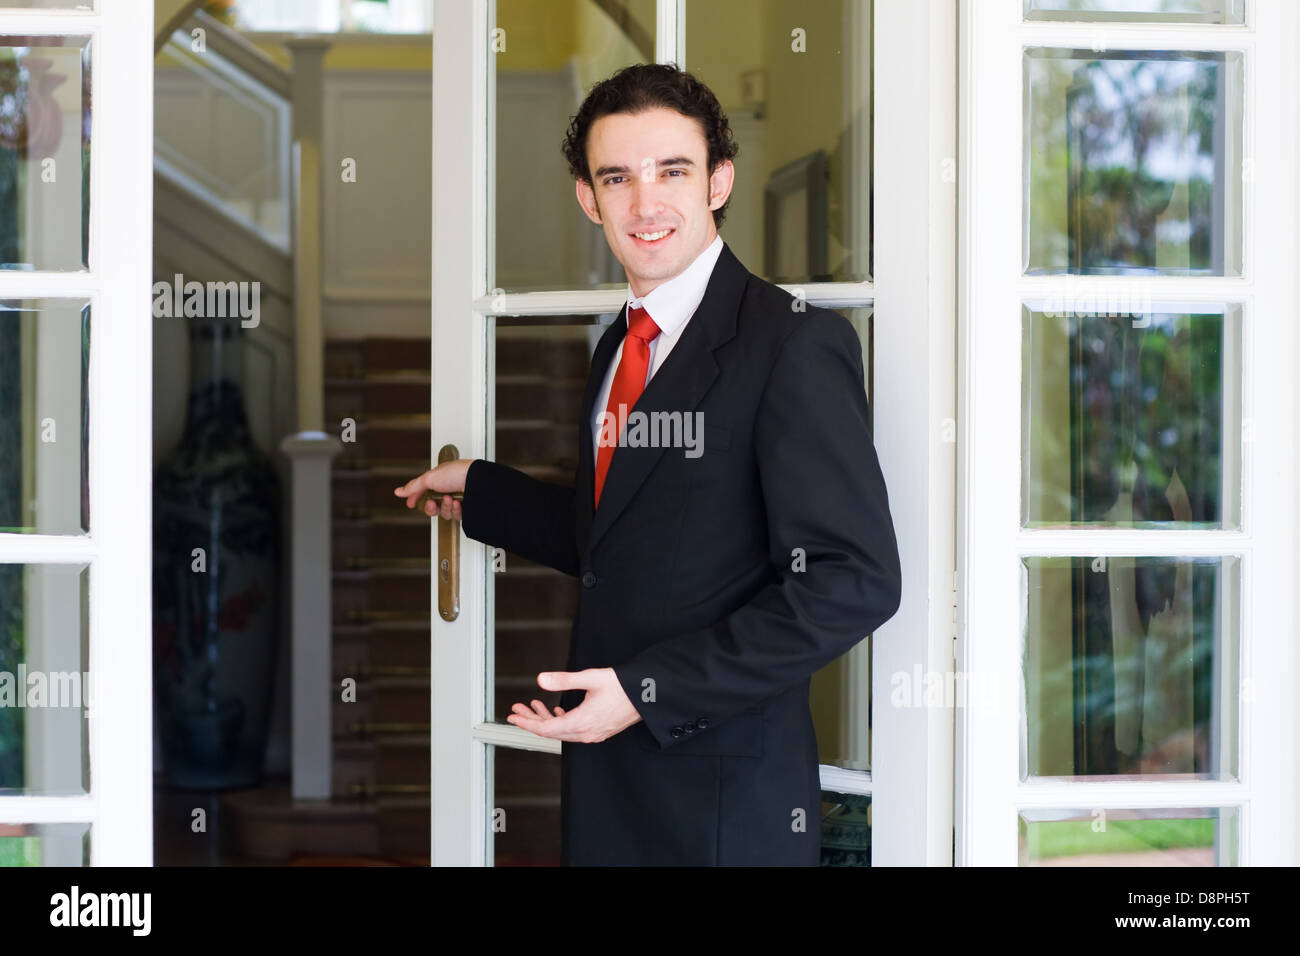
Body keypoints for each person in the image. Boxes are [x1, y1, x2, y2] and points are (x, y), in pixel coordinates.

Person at [395, 63, 901, 865]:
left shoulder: (793, 344)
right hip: (609, 783)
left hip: (721, 804)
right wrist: (484, 492)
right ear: (588, 199)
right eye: (617, 178)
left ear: (718, 181)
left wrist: (643, 693)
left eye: (672, 171)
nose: (646, 202)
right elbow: (624, 536)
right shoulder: (620, 344)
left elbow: (852, 581)